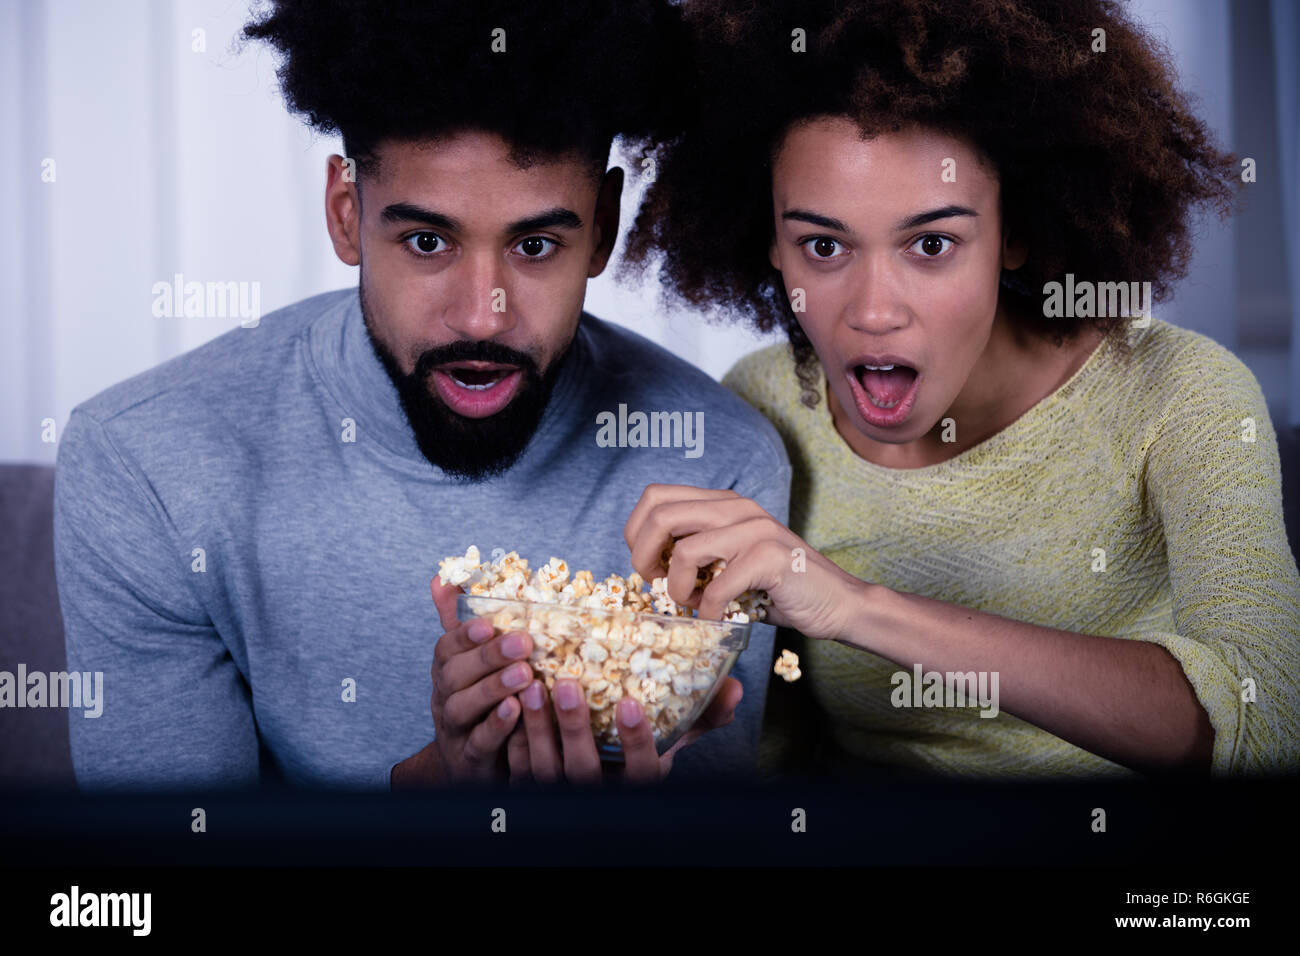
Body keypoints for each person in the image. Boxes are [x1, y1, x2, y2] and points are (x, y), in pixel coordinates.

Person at [53, 0, 790, 790]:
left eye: (536, 245)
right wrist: (435, 789)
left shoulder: (719, 466)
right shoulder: (148, 462)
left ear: (603, 227)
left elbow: (711, 835)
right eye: (427, 242)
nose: (482, 314)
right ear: (346, 213)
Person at [621, 0, 1300, 778]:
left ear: (1014, 230)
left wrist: (859, 607)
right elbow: (779, 758)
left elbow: (1269, 719)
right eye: (823, 245)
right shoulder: (767, 407)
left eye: (932, 244)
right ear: (769, 240)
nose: (874, 311)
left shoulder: (1179, 395)